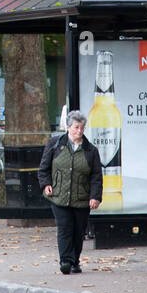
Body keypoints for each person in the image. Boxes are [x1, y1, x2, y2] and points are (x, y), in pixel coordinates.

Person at [38, 111, 102, 275]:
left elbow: (96, 176)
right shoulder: (55, 144)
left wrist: (95, 196)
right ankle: (65, 261)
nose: (79, 131)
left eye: (82, 128)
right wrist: (46, 184)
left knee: (78, 231)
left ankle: (75, 261)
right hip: (59, 196)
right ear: (67, 128)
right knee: (65, 228)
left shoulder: (91, 150)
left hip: (81, 198)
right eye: (75, 127)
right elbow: (43, 169)